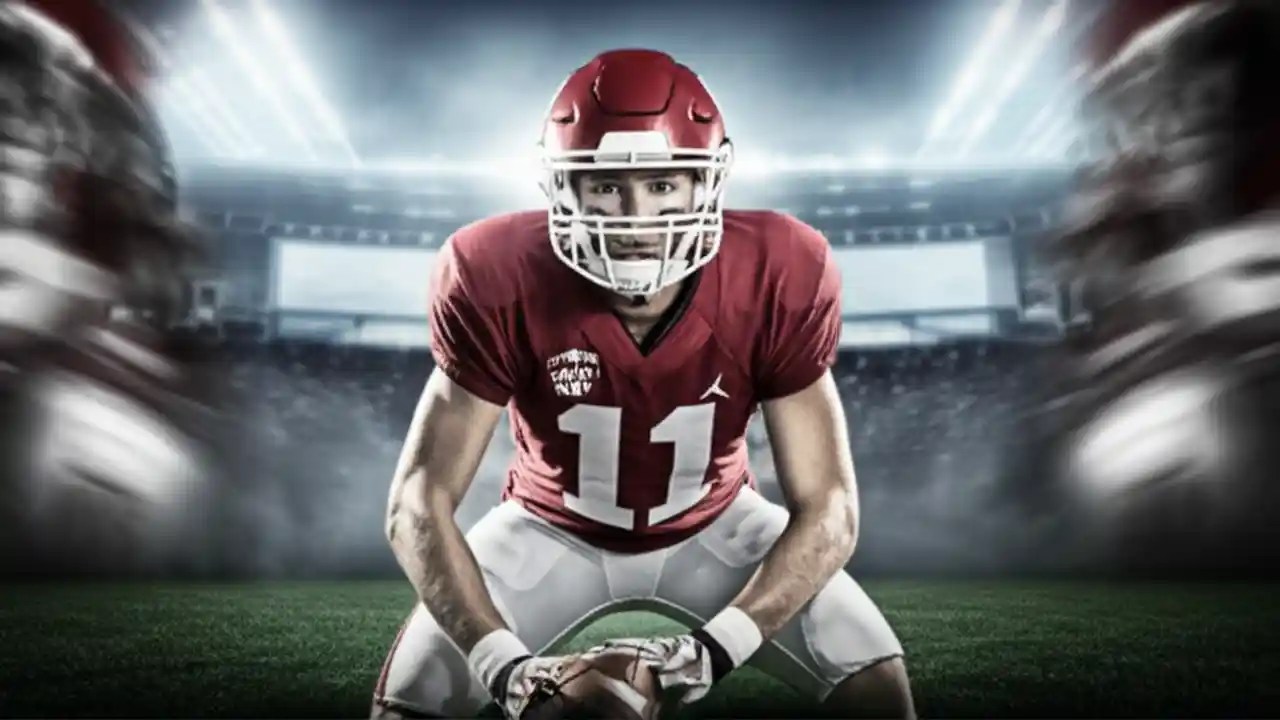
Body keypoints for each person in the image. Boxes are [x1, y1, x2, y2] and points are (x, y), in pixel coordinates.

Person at [375, 49, 913, 719]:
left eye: (663, 185)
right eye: (606, 186)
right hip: (548, 530)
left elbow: (830, 506)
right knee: (407, 707)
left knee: (876, 685)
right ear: (561, 188)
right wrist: (500, 664)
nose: (635, 216)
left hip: (716, 525)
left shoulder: (779, 270)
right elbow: (418, 500)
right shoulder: (493, 273)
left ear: (705, 185)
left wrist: (718, 648)